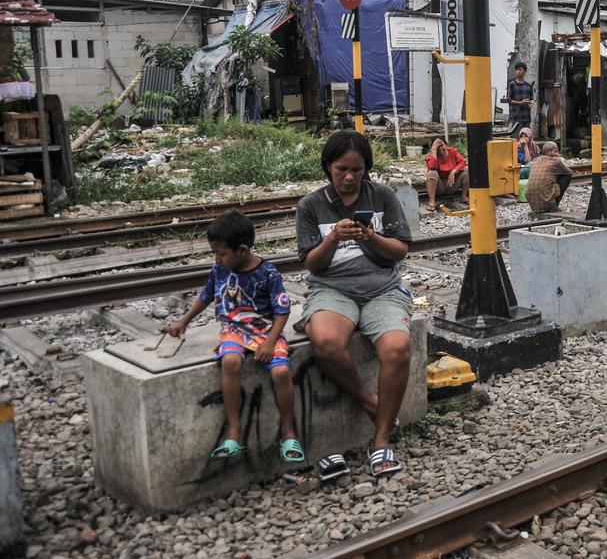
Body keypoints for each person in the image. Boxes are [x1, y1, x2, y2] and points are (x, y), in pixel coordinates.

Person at [295, 131, 414, 479]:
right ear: (328, 168)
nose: (349, 177)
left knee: (397, 347)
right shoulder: (311, 206)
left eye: (357, 170)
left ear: (367, 169)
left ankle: (380, 440)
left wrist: (370, 236)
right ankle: (370, 401)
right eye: (341, 169)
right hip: (332, 289)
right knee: (327, 342)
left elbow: (401, 251)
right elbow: (313, 265)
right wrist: (332, 238)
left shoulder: (383, 196)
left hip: (382, 288)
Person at [166, 210, 302, 464]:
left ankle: (289, 431)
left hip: (265, 332)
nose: (217, 259)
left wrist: (271, 342)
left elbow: (282, 312)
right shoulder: (219, 270)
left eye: (221, 253)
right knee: (230, 361)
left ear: (242, 250)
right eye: (215, 253)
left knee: (281, 372)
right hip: (234, 331)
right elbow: (206, 296)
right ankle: (234, 432)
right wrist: (183, 322)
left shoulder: (268, 273)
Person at [525, 141, 573, 214]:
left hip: (533, 205)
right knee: (567, 176)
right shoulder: (556, 161)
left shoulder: (535, 161)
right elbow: (570, 172)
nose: (558, 154)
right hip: (546, 202)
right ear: (548, 152)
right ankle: (554, 206)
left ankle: (547, 203)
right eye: (556, 151)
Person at [424, 138, 469, 213]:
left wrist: (453, 171)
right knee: (431, 173)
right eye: (437, 147)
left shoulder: (452, 151)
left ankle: (464, 196)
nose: (440, 148)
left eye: (442, 145)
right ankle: (432, 201)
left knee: (467, 169)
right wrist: (434, 150)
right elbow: (431, 167)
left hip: (453, 184)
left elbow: (462, 162)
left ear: (446, 145)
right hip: (439, 187)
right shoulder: (431, 156)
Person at [506, 61, 534, 133]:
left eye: (520, 69)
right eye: (516, 70)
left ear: (525, 71)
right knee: (515, 140)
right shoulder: (512, 84)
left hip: (526, 117)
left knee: (526, 140)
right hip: (515, 117)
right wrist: (520, 103)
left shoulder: (528, 86)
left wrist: (531, 104)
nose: (518, 71)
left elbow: (531, 99)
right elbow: (508, 100)